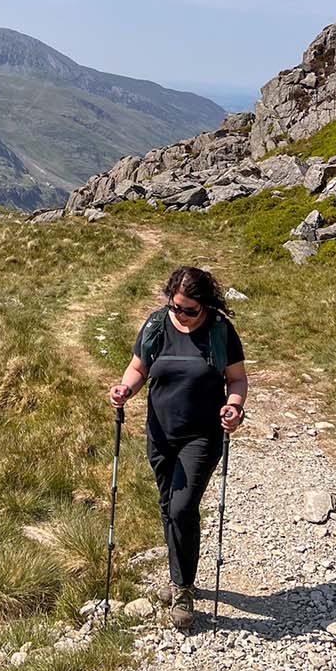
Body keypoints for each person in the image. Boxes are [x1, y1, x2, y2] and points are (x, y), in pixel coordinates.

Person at [108, 265, 248, 630]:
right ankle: (178, 574)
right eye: (176, 307)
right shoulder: (157, 325)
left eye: (190, 310)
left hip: (202, 436)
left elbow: (236, 379)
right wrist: (125, 390)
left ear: (205, 305)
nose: (181, 315)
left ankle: (183, 588)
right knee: (169, 505)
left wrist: (234, 407)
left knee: (183, 507)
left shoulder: (219, 331)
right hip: (160, 432)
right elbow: (138, 369)